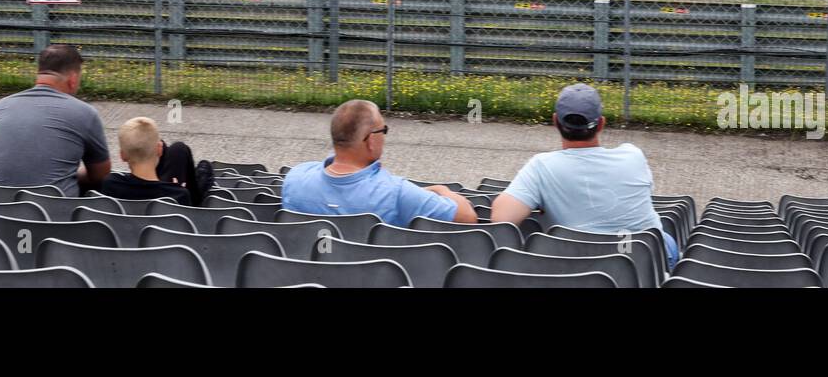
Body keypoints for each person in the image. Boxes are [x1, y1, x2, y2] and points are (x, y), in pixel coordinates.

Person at [491, 83, 678, 270]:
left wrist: (541, 199)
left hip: (581, 266)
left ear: (555, 121)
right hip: (642, 261)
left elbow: (500, 219)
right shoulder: (633, 155)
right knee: (666, 237)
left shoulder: (540, 167)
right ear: (601, 124)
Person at [282, 100, 476, 226]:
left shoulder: (295, 178)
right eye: (384, 130)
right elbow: (468, 217)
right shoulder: (396, 192)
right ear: (371, 140)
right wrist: (443, 191)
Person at [0, 44, 111, 196]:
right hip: (52, 217)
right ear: (73, 80)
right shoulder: (84, 113)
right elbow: (101, 175)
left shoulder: (1, 106)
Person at [101, 117, 212, 206]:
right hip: (173, 199)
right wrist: (175, 188)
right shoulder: (178, 195)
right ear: (160, 149)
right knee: (194, 159)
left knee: (177, 149)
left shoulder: (110, 183)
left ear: (122, 156)